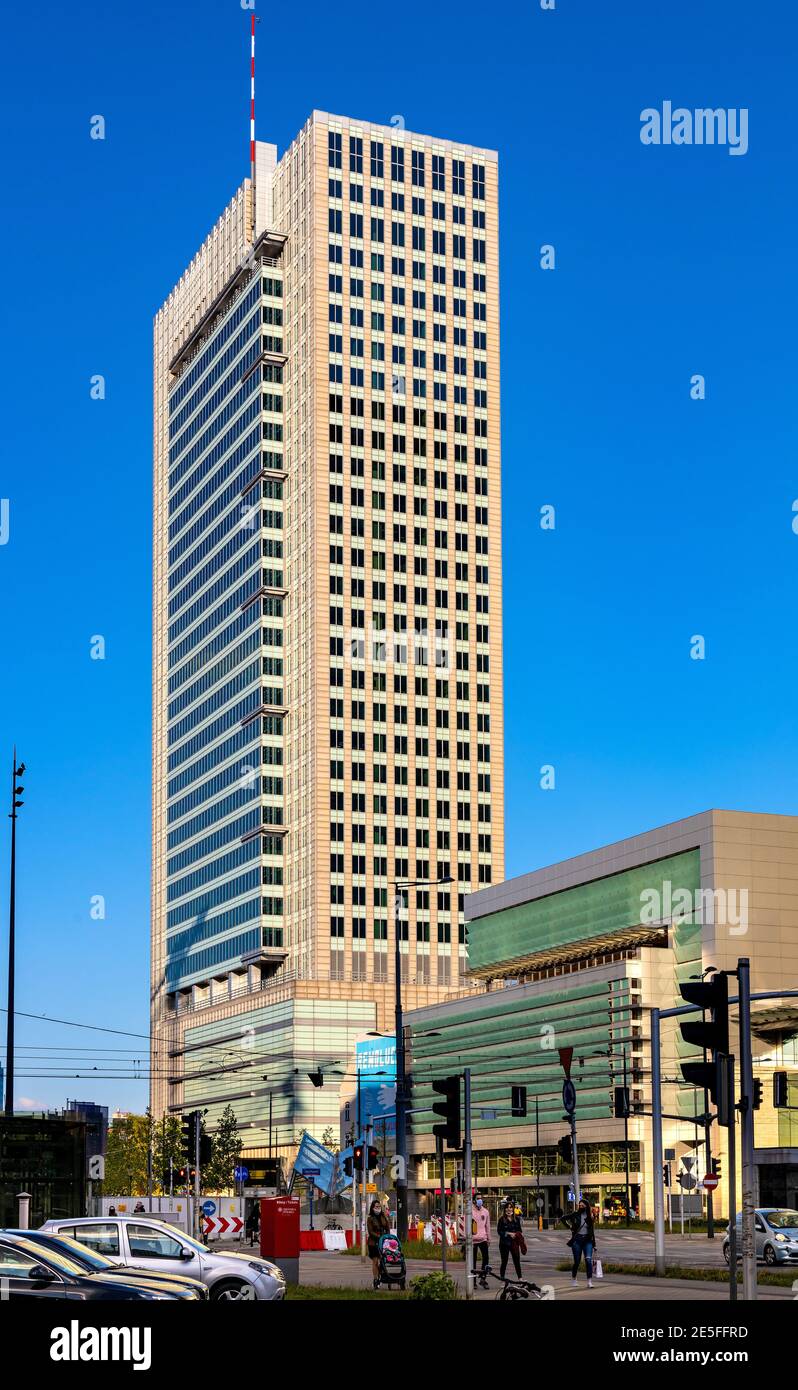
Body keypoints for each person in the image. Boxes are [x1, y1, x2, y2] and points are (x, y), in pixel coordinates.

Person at [562, 1197, 597, 1288]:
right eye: (579, 1205)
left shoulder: (590, 1216)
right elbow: (563, 1218)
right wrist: (569, 1227)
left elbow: (592, 1231)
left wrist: (594, 1244)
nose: (581, 1207)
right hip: (577, 1240)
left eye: (583, 1205)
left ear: (586, 1206)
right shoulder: (575, 1214)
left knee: (588, 1260)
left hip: (587, 1241)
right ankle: (574, 1279)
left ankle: (589, 1281)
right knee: (577, 1261)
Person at [497, 1198, 524, 1281]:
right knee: (504, 1262)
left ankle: (520, 1278)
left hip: (514, 1244)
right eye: (507, 1207)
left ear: (513, 1209)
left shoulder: (516, 1220)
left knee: (516, 1261)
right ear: (505, 1209)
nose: (509, 1209)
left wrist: (516, 1234)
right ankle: (502, 1279)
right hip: (504, 1244)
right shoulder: (502, 1219)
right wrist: (508, 1233)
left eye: (510, 1207)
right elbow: (499, 1231)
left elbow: (520, 1230)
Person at [367, 1199, 390, 1288]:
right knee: (375, 1261)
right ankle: (376, 1279)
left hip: (384, 1242)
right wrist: (379, 1237)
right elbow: (370, 1231)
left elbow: (388, 1228)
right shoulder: (370, 1219)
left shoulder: (383, 1217)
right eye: (376, 1207)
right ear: (372, 1208)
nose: (378, 1208)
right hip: (373, 1243)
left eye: (379, 1206)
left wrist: (387, 1236)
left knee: (383, 1262)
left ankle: (380, 1276)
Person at [472, 1195, 491, 1278]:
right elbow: (466, 1225)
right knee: (473, 1261)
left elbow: (488, 1226)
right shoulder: (470, 1211)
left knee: (486, 1259)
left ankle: (483, 1278)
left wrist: (488, 1238)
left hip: (483, 1239)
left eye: (481, 1198)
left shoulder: (485, 1212)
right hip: (472, 1240)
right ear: (474, 1200)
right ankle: (473, 1281)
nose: (480, 1200)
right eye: (478, 1199)